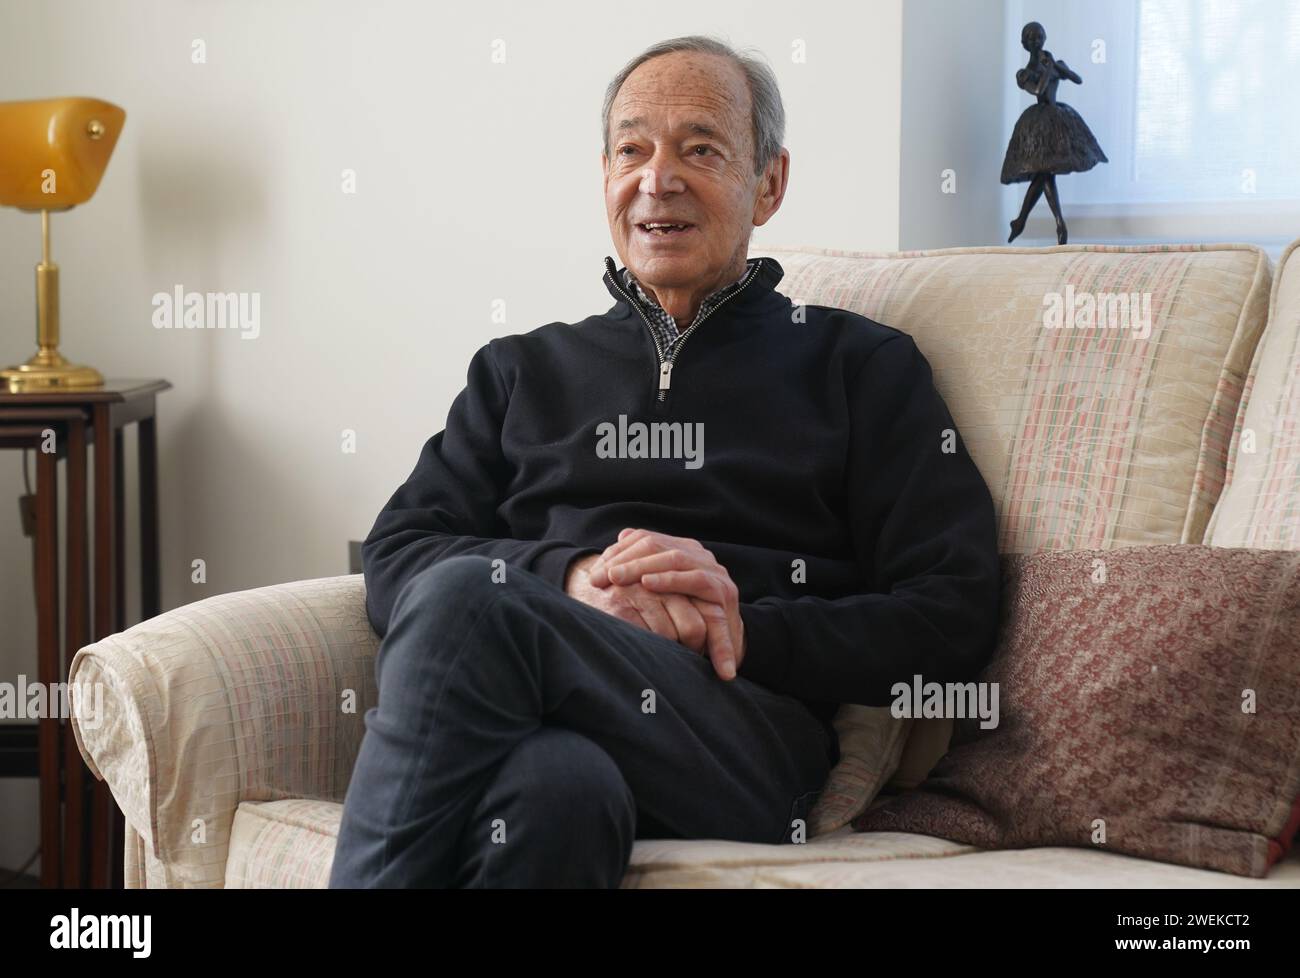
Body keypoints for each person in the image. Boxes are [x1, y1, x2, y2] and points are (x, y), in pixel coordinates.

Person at [328, 34, 1002, 889]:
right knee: (553, 795)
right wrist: (571, 578)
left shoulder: (858, 367)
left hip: (739, 735)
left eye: (701, 149)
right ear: (605, 175)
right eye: (632, 149)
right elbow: (393, 557)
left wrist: (739, 624)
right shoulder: (519, 371)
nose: (658, 179)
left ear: (770, 183)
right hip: (557, 730)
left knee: (468, 599)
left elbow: (954, 613)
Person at [1003, 21, 1108, 245]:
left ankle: (1025, 221)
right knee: (1045, 173)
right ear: (1024, 43)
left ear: (1045, 38)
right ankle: (1055, 223)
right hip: (1038, 125)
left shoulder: (1054, 63)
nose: (1035, 41)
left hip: (1058, 120)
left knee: (1045, 173)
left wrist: (1057, 67)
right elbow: (1039, 90)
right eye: (1030, 37)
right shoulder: (1024, 73)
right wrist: (1050, 69)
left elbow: (1076, 79)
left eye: (1039, 36)